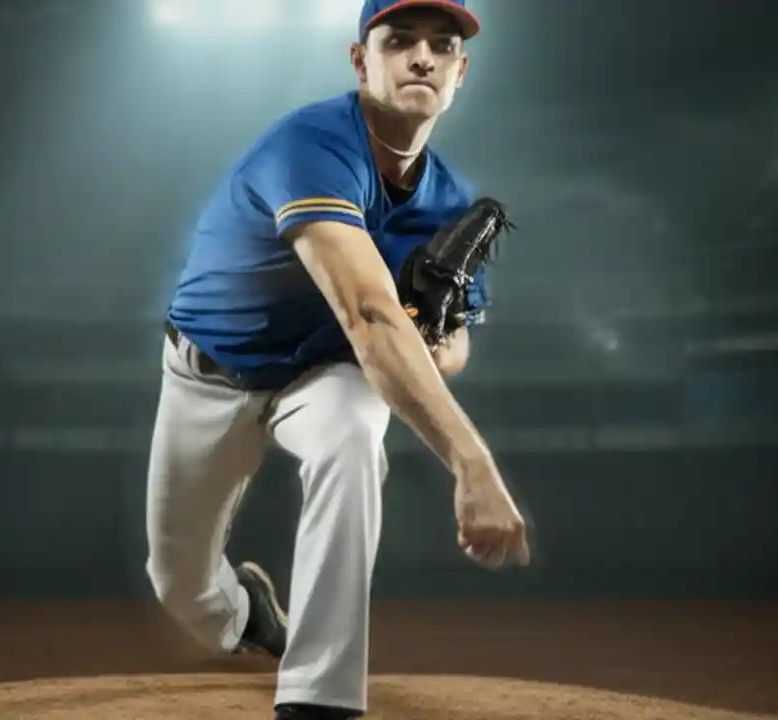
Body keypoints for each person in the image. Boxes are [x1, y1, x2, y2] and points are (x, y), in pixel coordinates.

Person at [144, 1, 531, 718]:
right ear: (360, 60)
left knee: (354, 435)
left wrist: (433, 338)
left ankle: (319, 696)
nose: (423, 57)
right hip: (212, 373)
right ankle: (247, 612)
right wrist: (472, 462)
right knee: (180, 587)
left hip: (325, 374)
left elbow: (453, 344)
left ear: (460, 72)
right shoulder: (313, 144)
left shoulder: (449, 199)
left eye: (442, 46)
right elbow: (369, 315)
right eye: (399, 40)